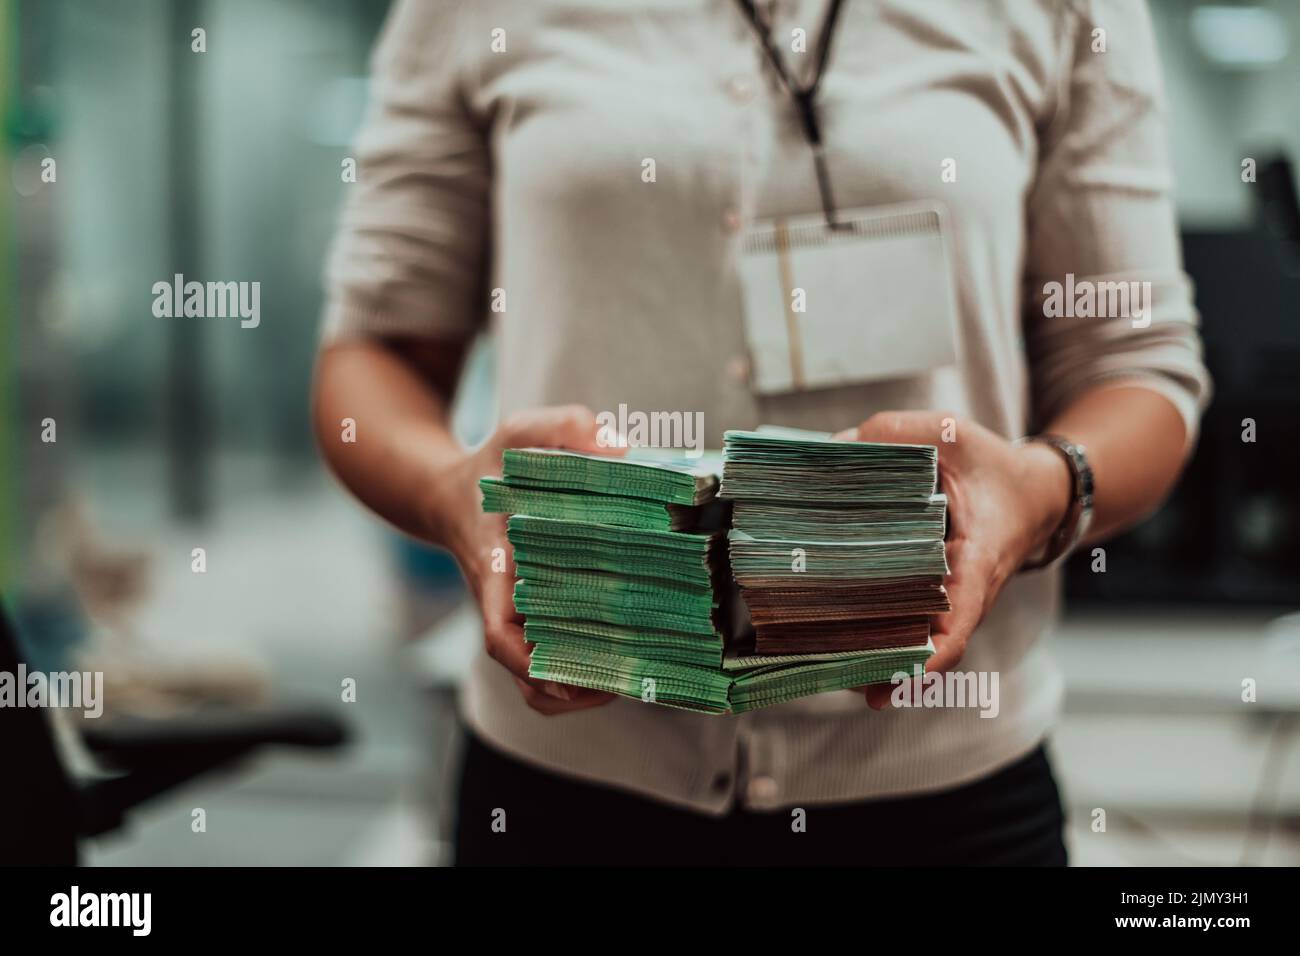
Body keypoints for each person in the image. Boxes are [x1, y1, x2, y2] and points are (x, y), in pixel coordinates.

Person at [312, 0, 1209, 865]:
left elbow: (1137, 368)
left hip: (942, 794)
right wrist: (453, 497)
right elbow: (377, 349)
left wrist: (1040, 489)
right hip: (569, 785)